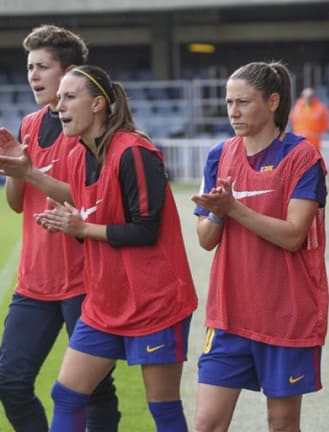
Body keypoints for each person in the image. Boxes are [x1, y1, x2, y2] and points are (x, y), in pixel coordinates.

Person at [0, 64, 197, 431]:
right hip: (105, 303)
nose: (59, 106)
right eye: (59, 99)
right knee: (68, 393)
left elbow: (146, 230)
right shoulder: (77, 155)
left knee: (164, 409)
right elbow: (82, 202)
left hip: (155, 302)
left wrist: (82, 228)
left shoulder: (135, 152)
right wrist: (36, 184)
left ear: (98, 105)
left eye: (70, 97)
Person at [191, 61, 328, 432]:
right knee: (206, 424)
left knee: (281, 425)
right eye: (228, 102)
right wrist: (219, 214)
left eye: (244, 102)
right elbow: (206, 239)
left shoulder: (303, 157)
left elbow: (292, 235)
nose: (233, 112)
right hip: (228, 315)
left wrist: (233, 207)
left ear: (272, 102)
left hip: (286, 313)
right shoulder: (219, 155)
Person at [0, 25, 120, 432]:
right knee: (10, 382)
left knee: (96, 391)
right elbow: (17, 203)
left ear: (70, 72)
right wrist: (14, 170)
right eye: (29, 67)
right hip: (34, 282)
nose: (33, 75)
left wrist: (30, 172)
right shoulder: (30, 124)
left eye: (42, 67)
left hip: (83, 281)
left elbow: (90, 198)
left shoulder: (89, 129)